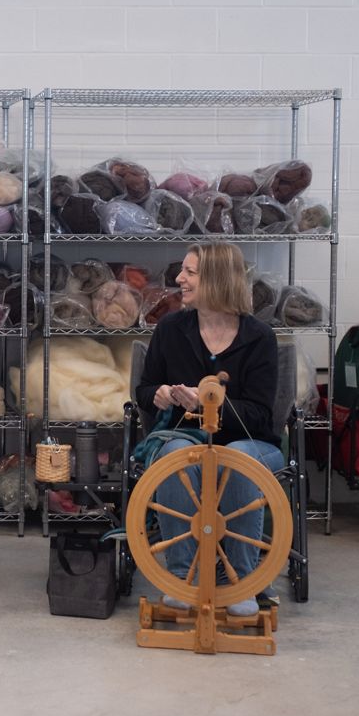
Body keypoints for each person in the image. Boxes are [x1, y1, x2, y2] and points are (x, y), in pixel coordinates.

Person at [135, 242, 284, 617]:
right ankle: (184, 577)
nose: (179, 279)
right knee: (175, 456)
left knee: (237, 458)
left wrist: (208, 403)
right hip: (186, 439)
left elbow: (261, 417)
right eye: (182, 271)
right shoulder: (170, 328)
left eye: (190, 272)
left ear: (216, 278)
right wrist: (163, 393)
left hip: (252, 444)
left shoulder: (259, 337)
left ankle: (239, 581)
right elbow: (145, 389)